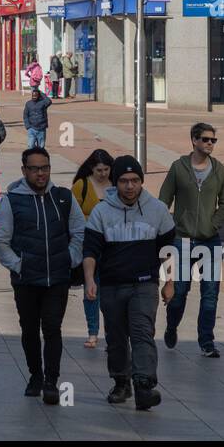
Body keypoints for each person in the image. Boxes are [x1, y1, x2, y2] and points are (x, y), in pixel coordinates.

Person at [0, 147, 85, 405]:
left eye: (44, 167)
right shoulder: (13, 200)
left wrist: (70, 258)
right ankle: (35, 374)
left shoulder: (63, 197)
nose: (40, 173)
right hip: (26, 280)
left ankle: (51, 381)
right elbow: (0, 241)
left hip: (57, 278)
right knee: (29, 329)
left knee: (53, 328)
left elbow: (79, 231)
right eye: (34, 168)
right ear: (24, 171)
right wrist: (18, 265)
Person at [83, 155, 177, 409]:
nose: (130, 186)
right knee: (115, 337)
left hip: (144, 285)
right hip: (112, 285)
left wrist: (170, 282)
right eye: (124, 181)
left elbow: (168, 249)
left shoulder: (156, 209)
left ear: (141, 182)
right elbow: (90, 250)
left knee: (142, 332)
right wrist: (90, 280)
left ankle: (144, 386)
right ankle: (121, 381)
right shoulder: (102, 211)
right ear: (116, 183)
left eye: (135, 180)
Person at [158, 122, 224, 359]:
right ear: (194, 140)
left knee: (210, 293)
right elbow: (163, 202)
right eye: (206, 140)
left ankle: (206, 342)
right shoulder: (178, 168)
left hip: (210, 241)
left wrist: (213, 225)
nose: (210, 143)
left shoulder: (219, 171)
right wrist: (166, 231)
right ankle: (171, 326)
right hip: (183, 240)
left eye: (213, 140)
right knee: (179, 292)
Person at [73, 149, 114, 348]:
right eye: (99, 170)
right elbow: (73, 216)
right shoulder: (81, 186)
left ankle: (110, 333)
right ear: (91, 168)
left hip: (113, 249)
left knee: (110, 294)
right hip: (89, 246)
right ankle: (92, 333)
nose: (103, 174)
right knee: (91, 290)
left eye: (106, 169)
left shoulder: (116, 185)